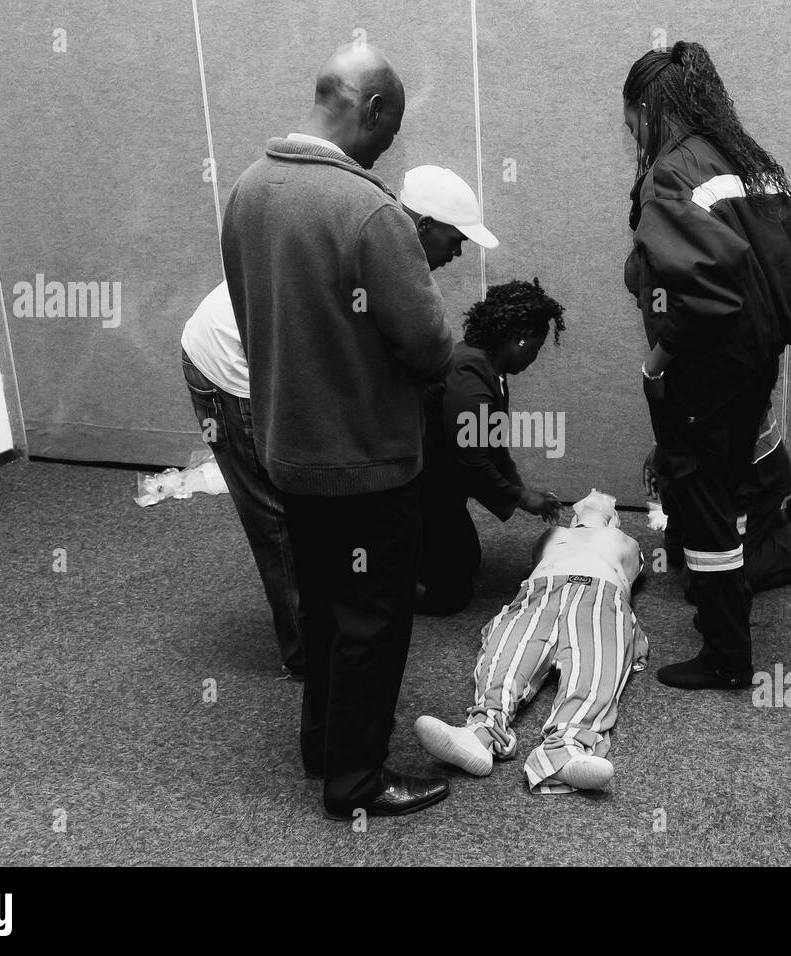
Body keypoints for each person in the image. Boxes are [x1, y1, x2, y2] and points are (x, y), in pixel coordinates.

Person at [221, 42, 457, 819]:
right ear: (373, 108)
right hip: (367, 463)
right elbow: (428, 346)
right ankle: (355, 781)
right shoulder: (368, 210)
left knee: (324, 606)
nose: (389, 148)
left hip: (288, 450)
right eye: (390, 131)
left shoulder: (249, 191)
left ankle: (322, 742)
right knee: (373, 623)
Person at [180, 164, 494, 681]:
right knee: (279, 516)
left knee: (314, 517)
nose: (457, 253)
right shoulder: (377, 239)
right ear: (422, 226)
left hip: (273, 357)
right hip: (229, 368)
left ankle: (329, 641)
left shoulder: (379, 245)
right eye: (455, 239)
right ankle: (309, 658)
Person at [622, 40, 791, 691]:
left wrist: (657, 361)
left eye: (631, 123)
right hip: (758, 360)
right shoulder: (751, 159)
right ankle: (741, 601)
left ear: (649, 111)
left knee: (701, 505)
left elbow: (698, 293)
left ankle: (727, 657)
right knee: (724, 494)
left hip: (706, 368)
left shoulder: (672, 174)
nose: (632, 138)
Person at [414, 490, 648, 792]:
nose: (595, 498)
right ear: (573, 515)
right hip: (541, 589)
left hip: (600, 596)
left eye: (605, 503)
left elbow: (629, 576)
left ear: (614, 520)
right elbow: (540, 558)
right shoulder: (554, 533)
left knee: (595, 666)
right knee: (511, 650)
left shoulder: (626, 541)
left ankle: (567, 748)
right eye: (587, 501)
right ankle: (481, 732)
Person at [416, 279, 566, 615]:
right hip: (421, 489)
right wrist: (521, 498)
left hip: (443, 485)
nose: (534, 357)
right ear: (518, 339)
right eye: (535, 348)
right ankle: (388, 589)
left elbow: (494, 445)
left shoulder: (490, 369)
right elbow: (471, 461)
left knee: (468, 561)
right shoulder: (469, 374)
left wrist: (519, 488)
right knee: (450, 597)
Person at [647, 399, 791, 597]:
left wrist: (669, 459)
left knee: (703, 584)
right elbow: (670, 401)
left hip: (747, 480)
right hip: (706, 468)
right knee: (677, 552)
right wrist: (660, 451)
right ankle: (779, 520)